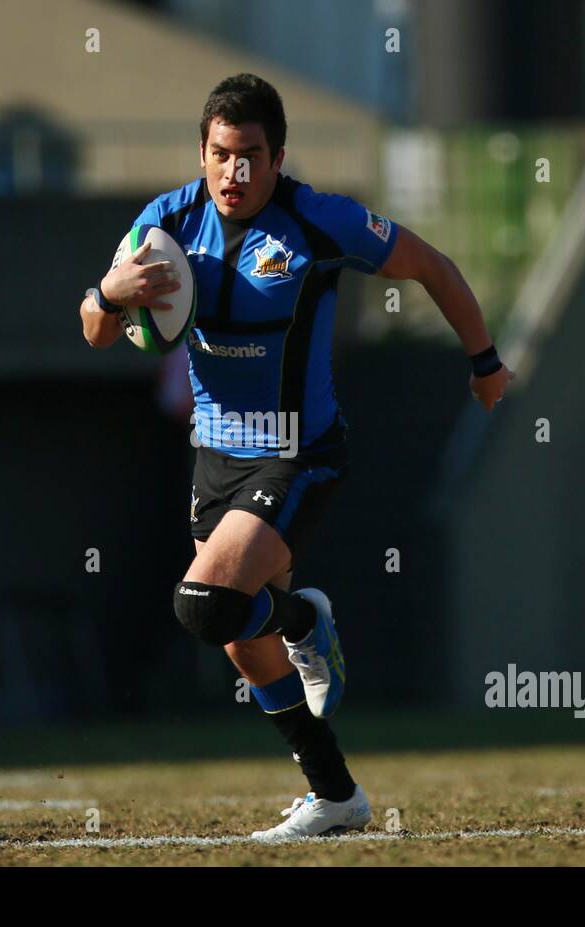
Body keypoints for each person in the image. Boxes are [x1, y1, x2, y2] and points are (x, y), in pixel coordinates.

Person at [79, 74, 513, 840]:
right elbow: (97, 330)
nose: (234, 171)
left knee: (203, 604)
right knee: (242, 639)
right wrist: (109, 295)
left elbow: (432, 265)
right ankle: (336, 795)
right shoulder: (165, 223)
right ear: (201, 153)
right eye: (221, 153)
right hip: (214, 459)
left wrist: (484, 363)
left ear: (278, 158)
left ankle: (305, 618)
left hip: (296, 453)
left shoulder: (319, 221)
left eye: (251, 155)